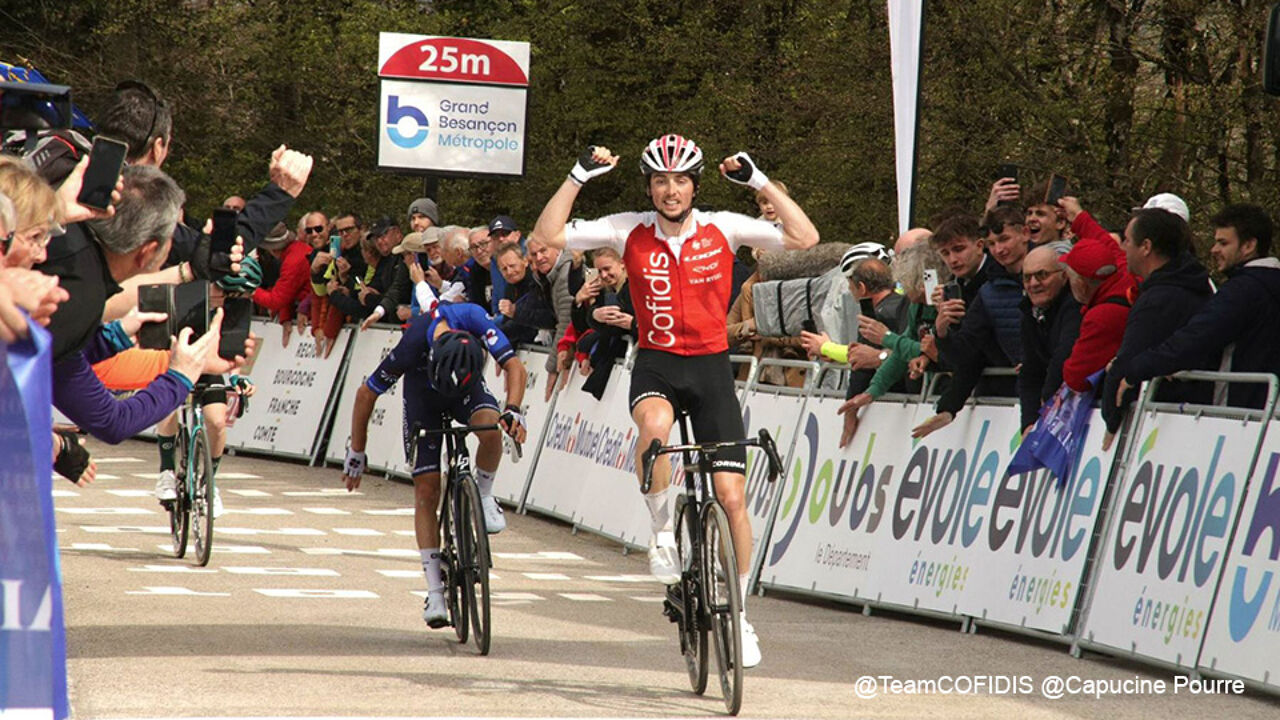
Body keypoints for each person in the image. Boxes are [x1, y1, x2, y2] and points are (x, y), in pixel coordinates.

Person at [530, 134, 820, 668]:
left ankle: (740, 614)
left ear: (694, 187)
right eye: (661, 180)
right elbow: (546, 235)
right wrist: (578, 175)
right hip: (658, 363)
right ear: (649, 187)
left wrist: (757, 180)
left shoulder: (723, 227)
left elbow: (805, 237)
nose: (670, 190)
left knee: (733, 499)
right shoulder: (627, 228)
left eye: (680, 180)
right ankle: (662, 531)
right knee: (656, 428)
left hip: (711, 369)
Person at [341, 302, 528, 628]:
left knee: (491, 428)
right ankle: (435, 592)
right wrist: (357, 451)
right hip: (423, 395)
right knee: (427, 491)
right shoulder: (414, 340)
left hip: (467, 386)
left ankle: (484, 496)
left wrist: (513, 409)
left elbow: (515, 367)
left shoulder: (473, 317)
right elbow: (365, 395)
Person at [1120, 204, 1280, 410]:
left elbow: (1196, 337)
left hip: (1243, 414)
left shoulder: (1243, 290)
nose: (1214, 250)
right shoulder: (1265, 285)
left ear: (1249, 245)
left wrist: (1138, 368)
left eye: (1223, 243)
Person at [1102, 207, 1213, 445]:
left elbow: (1130, 360)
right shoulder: (1194, 285)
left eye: (1127, 241)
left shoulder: (1158, 300)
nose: (1123, 248)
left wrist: (1111, 417)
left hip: (1168, 426)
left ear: (1146, 247)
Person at [914, 209, 1027, 438]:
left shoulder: (996, 281)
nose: (953, 259)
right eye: (945, 253)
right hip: (1001, 393)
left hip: (1026, 388)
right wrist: (942, 329)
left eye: (959, 249)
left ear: (978, 245)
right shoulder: (959, 287)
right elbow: (967, 354)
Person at [837, 242, 945, 446]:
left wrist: (886, 340)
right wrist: (870, 393)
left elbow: (944, 352)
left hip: (941, 396)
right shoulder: (916, 306)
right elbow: (906, 351)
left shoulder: (937, 305)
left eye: (903, 282)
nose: (899, 289)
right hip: (926, 398)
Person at [1056, 198, 1136, 393]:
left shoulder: (1101, 317)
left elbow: (1076, 377)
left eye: (1069, 277)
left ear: (1081, 284)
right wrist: (1078, 216)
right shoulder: (1127, 276)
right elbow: (1108, 245)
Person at [1016, 242, 1080, 433]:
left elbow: (1065, 354)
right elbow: (1030, 369)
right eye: (1027, 278)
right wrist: (1029, 422)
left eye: (1042, 275)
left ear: (1064, 275)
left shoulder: (1076, 305)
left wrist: (1047, 402)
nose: (1034, 283)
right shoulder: (1029, 312)